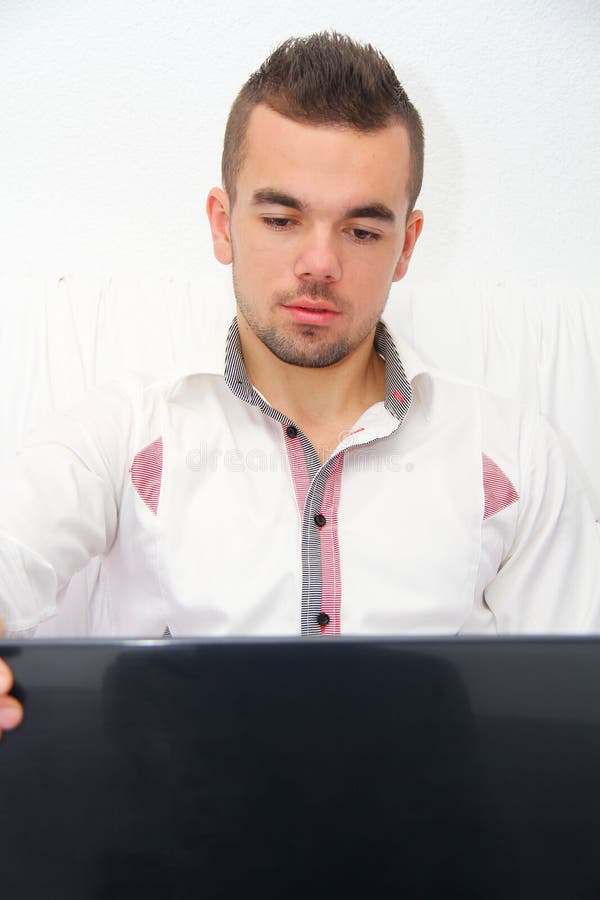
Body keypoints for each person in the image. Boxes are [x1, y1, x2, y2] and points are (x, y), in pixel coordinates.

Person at [0, 32, 599, 735]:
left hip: (434, 808)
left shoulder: (516, 457)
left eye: (362, 231)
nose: (319, 263)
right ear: (223, 225)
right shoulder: (125, 435)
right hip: (168, 807)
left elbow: (572, 713)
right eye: (282, 220)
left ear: (407, 245)